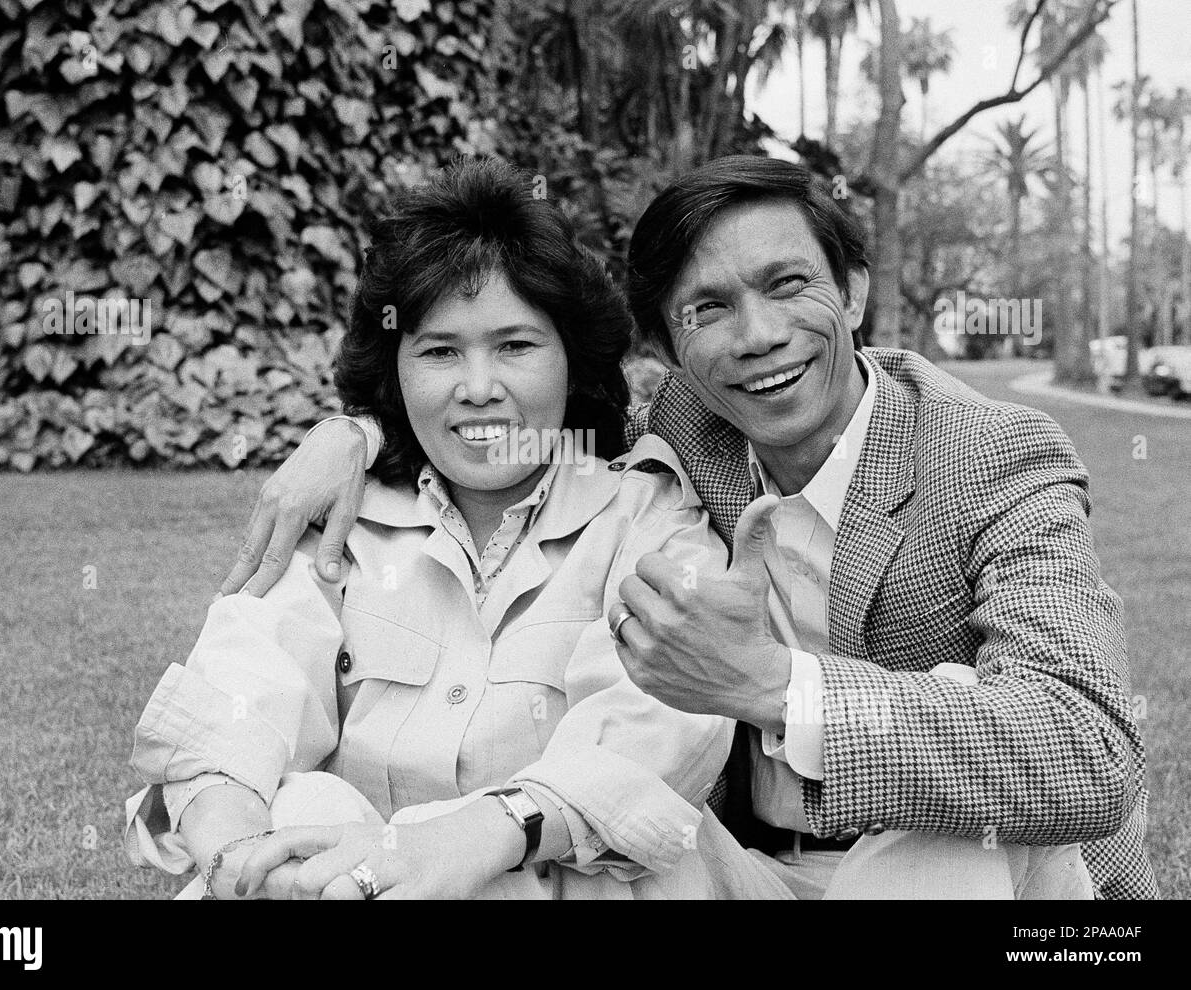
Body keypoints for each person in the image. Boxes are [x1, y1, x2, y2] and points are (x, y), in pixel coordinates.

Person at [224, 156, 1155, 899]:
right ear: (671, 346)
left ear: (856, 291)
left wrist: (774, 687)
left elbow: (1084, 748)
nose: (755, 336)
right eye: (708, 310)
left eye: (788, 285)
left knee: (934, 848)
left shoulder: (994, 455)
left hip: (981, 877)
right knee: (600, 842)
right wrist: (352, 429)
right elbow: (505, 394)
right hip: (745, 868)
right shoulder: (685, 420)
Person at [125, 157, 790, 900]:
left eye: (516, 346)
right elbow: (238, 694)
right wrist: (239, 855)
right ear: (397, 370)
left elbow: (648, 745)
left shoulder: (646, 518)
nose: (478, 390)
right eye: (440, 352)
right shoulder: (342, 518)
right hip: (345, 886)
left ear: (573, 363)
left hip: (565, 884)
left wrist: (446, 847)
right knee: (304, 811)